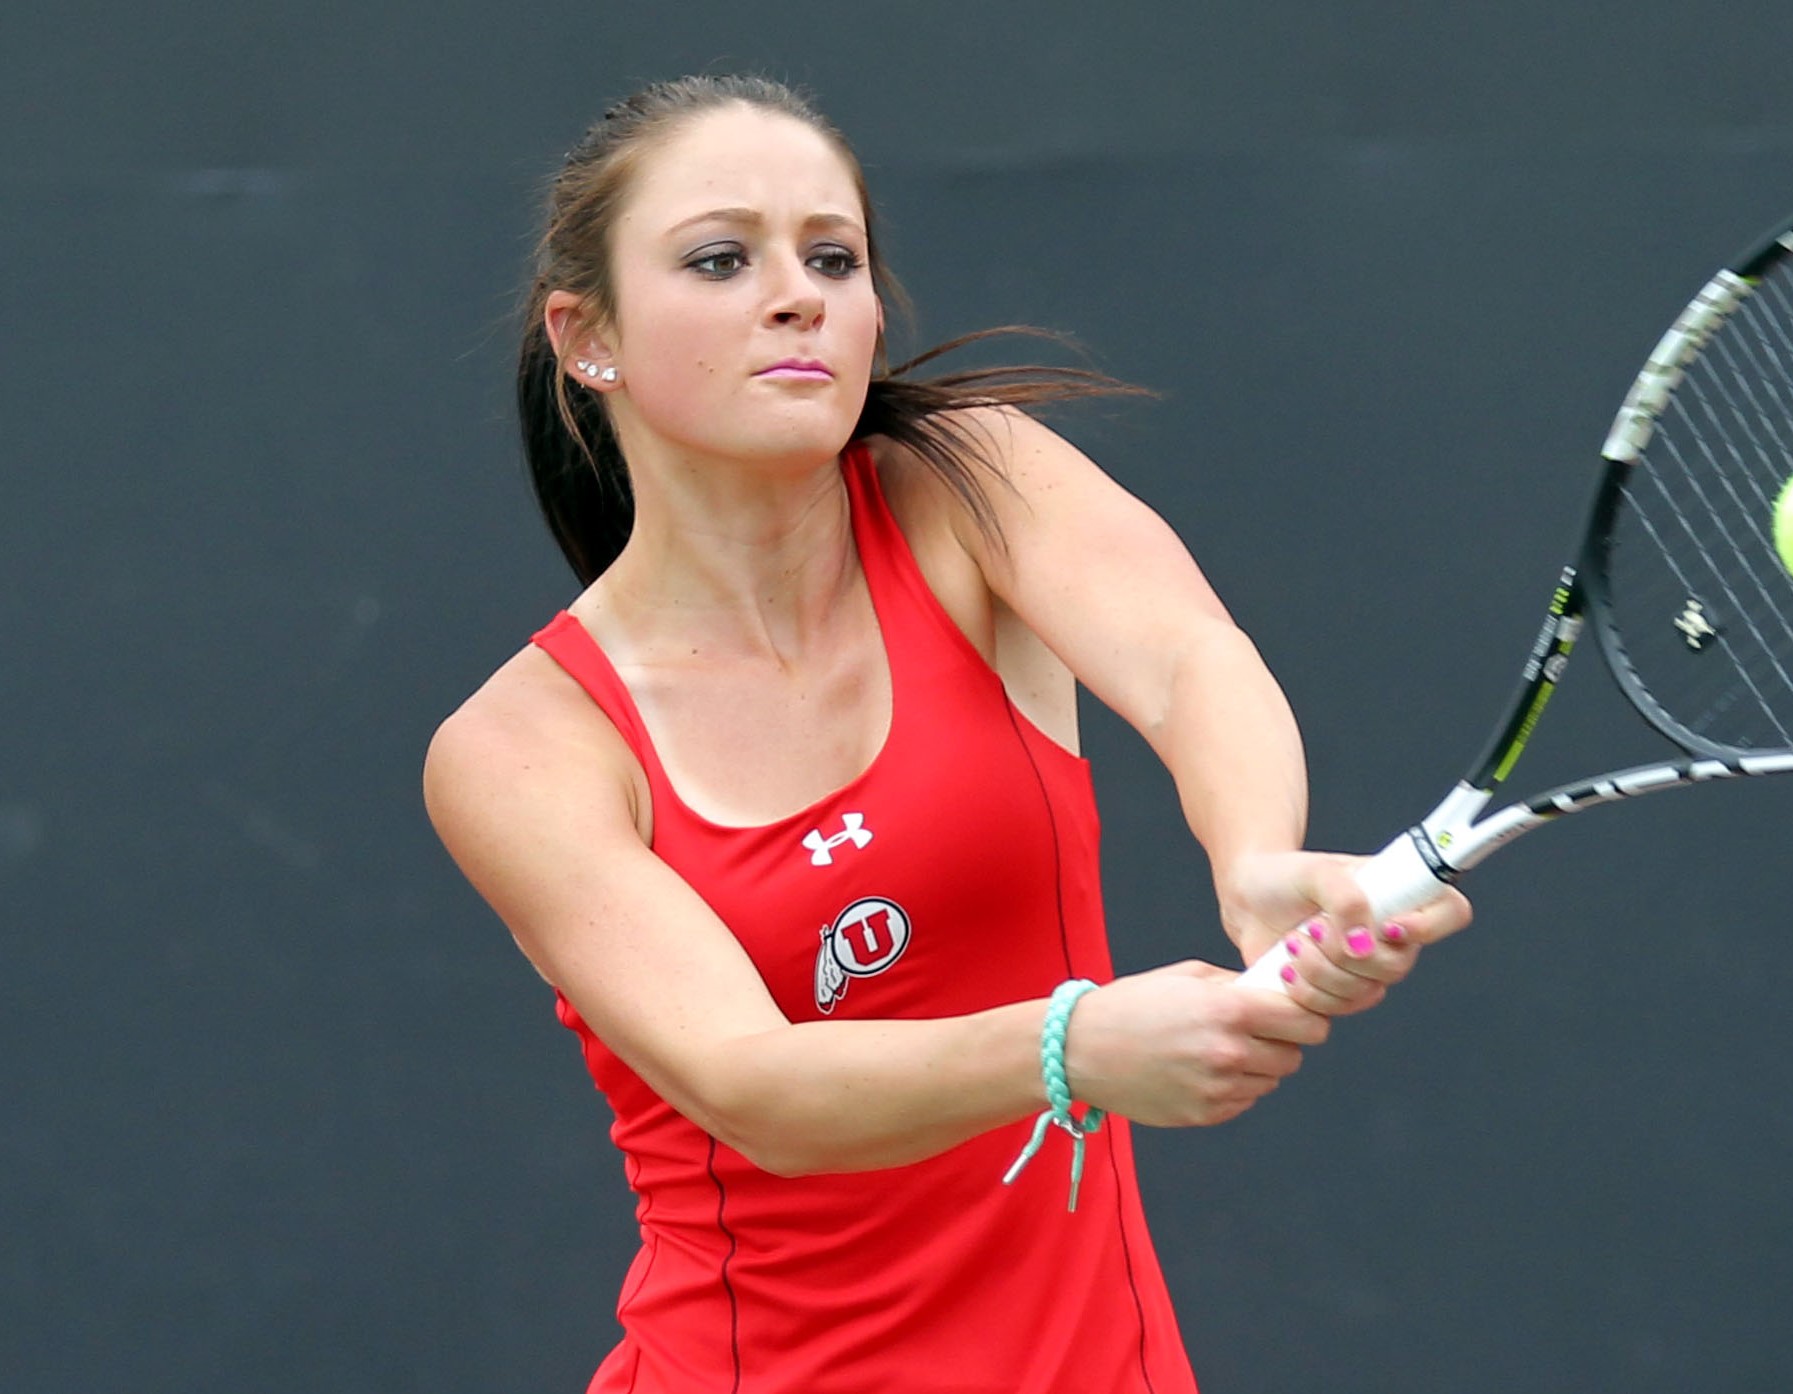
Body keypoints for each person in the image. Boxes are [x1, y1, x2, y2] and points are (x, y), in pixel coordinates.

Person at [422, 75, 1471, 1394]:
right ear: (589, 335)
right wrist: (1072, 1045)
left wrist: (1254, 855)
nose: (797, 293)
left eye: (833, 255)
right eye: (718, 258)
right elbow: (754, 1085)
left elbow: (1188, 657)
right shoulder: (524, 747)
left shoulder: (973, 486)